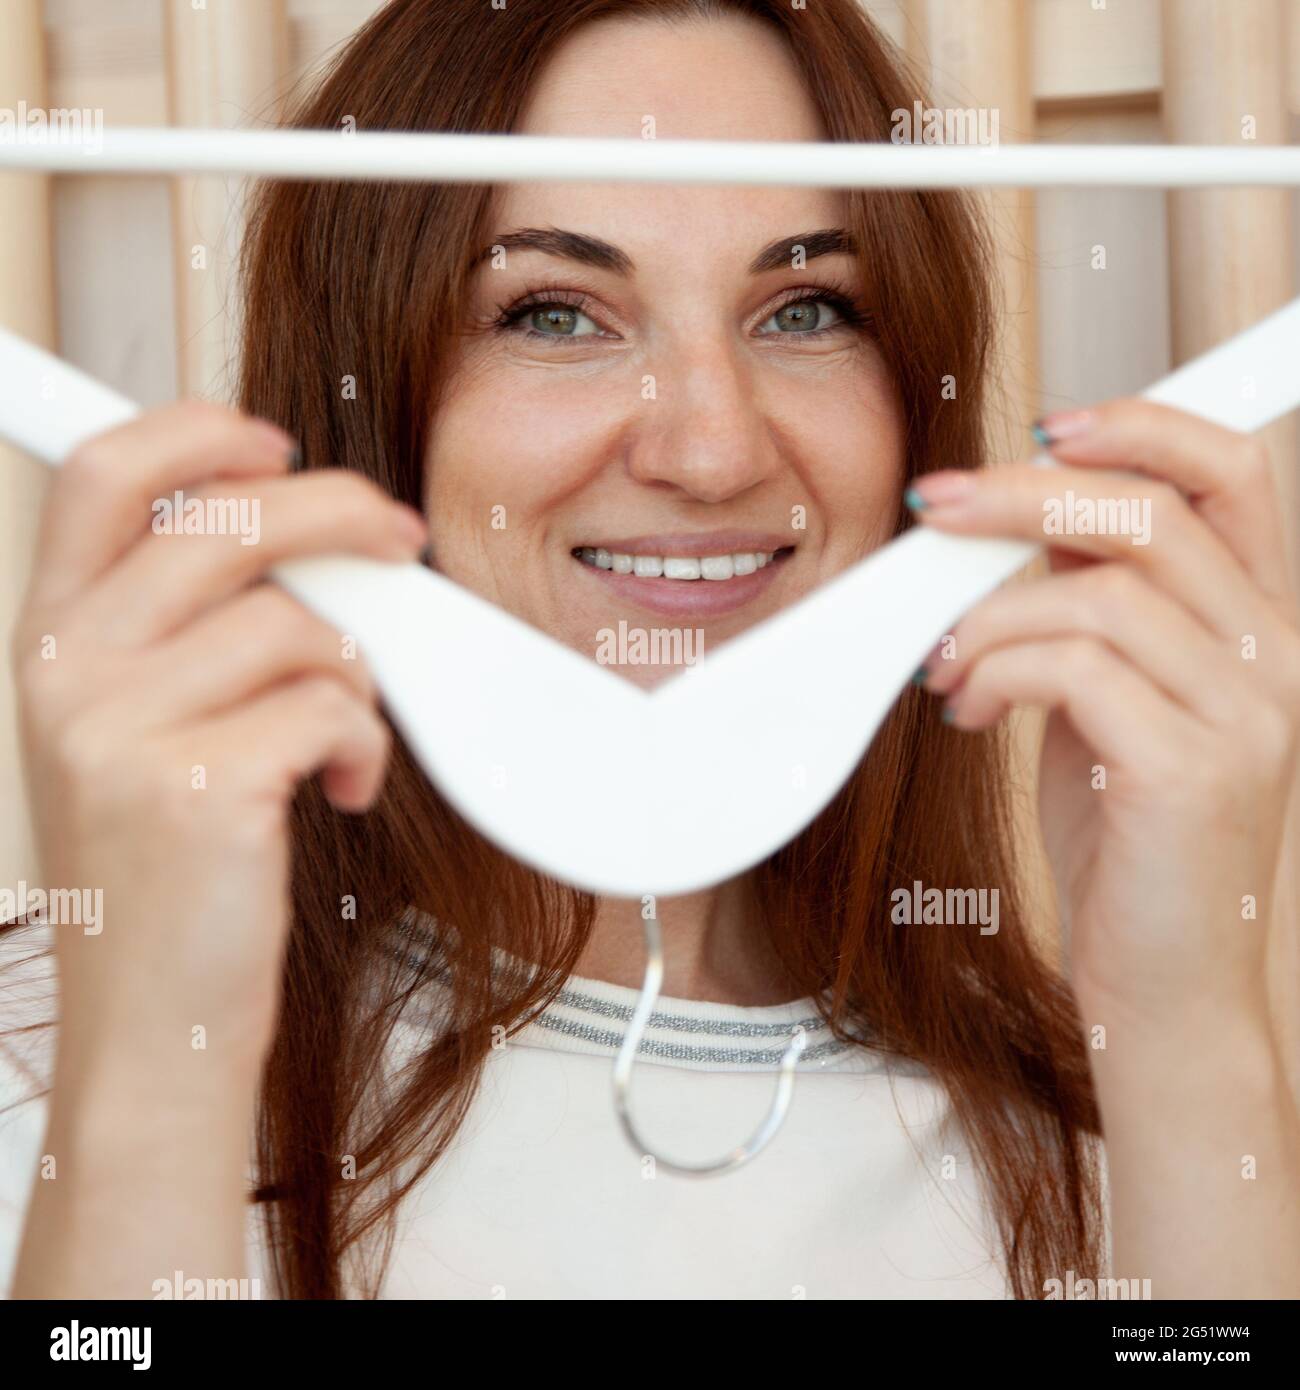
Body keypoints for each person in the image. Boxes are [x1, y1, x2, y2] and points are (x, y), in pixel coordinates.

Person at [4, 0, 1298, 1300]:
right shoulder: (41, 1073)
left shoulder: (1118, 1145)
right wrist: (147, 1073)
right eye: (555, 313)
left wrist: (1192, 1037)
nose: (712, 449)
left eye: (806, 309)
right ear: (368, 409)